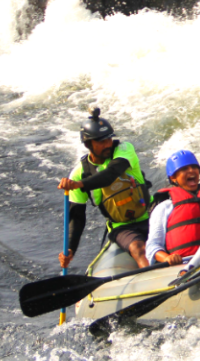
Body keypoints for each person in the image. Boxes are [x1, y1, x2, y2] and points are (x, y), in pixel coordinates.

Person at [58, 108, 151, 268]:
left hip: (150, 214)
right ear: (88, 144)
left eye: (108, 139)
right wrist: (70, 249)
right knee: (138, 249)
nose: (107, 144)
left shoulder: (124, 149)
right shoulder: (79, 174)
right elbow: (77, 217)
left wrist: (80, 185)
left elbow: (111, 174)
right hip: (121, 226)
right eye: (101, 141)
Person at [146, 150, 200, 266]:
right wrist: (167, 258)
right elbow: (152, 246)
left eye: (194, 167)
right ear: (173, 178)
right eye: (184, 169)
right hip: (184, 263)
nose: (191, 171)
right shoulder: (164, 208)